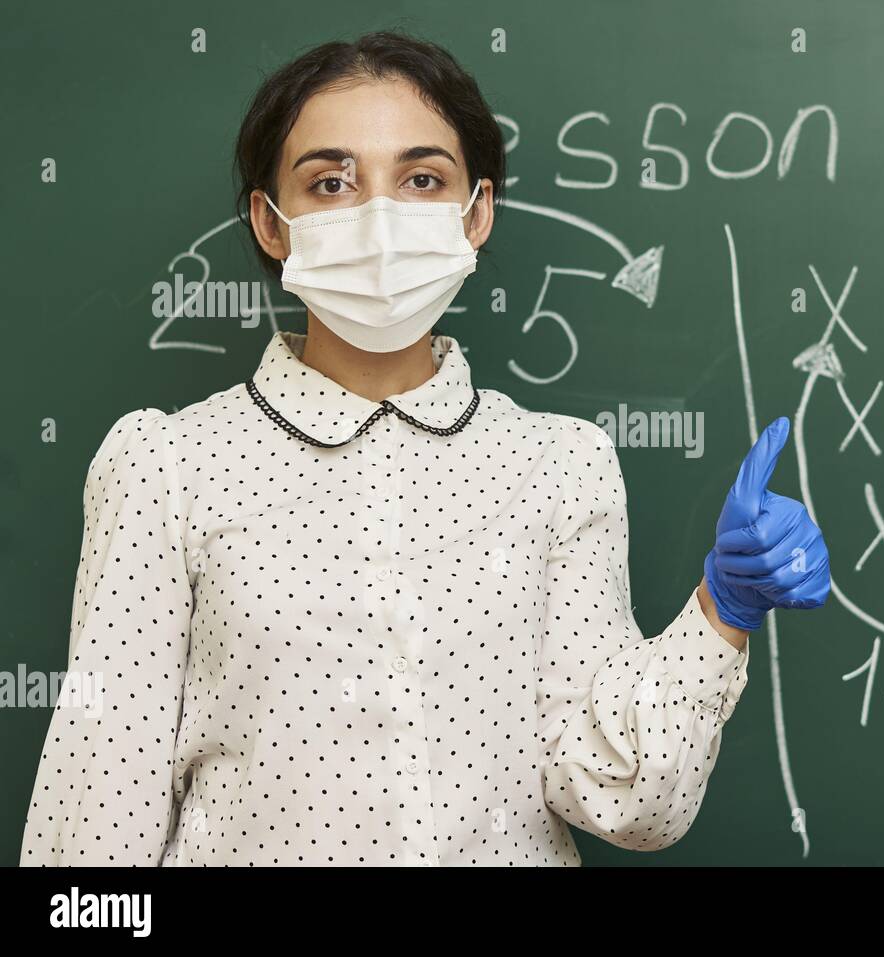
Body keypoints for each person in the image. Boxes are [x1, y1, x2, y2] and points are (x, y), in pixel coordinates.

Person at [20, 31, 829, 867]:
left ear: (475, 213)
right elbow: (96, 811)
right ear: (271, 221)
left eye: (421, 179)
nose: (379, 217)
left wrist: (721, 613)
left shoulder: (561, 464)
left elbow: (625, 798)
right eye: (330, 182)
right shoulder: (167, 465)